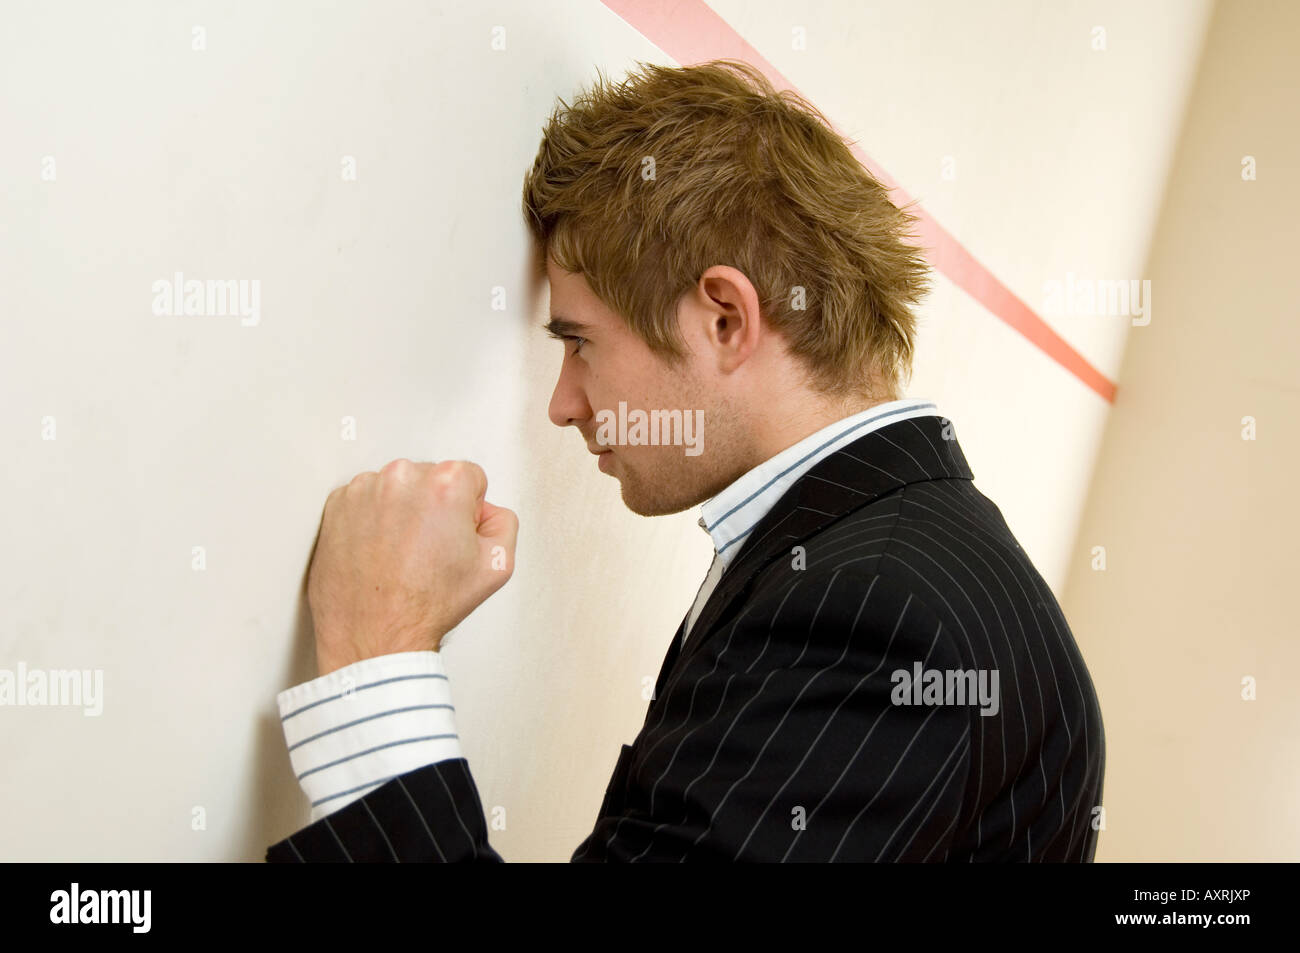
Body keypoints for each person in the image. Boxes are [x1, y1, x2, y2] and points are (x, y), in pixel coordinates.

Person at [266, 59, 1104, 862]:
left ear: (725, 320)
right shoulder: (896, 557)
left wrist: (379, 656)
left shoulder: (878, 620)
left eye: (580, 344)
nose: (563, 404)